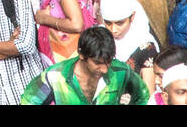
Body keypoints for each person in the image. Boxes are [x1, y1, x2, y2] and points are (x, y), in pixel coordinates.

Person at [20, 26, 150, 105]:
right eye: (97, 63)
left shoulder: (121, 72)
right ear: (81, 55)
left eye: (109, 61)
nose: (105, 69)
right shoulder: (54, 77)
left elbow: (143, 96)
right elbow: (28, 102)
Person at [99, 0, 160, 74]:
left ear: (132, 17)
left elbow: (148, 86)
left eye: (119, 23)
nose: (113, 29)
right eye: (108, 23)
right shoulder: (98, 37)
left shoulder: (145, 47)